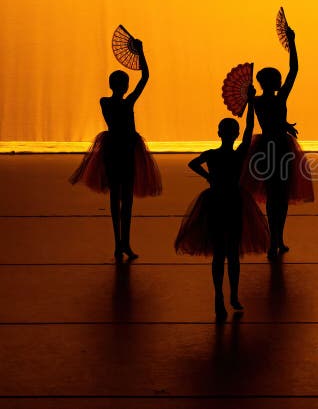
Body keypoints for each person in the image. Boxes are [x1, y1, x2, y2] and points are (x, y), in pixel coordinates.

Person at [174, 87, 269, 319]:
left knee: (219, 252)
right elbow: (249, 131)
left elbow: (193, 163)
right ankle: (233, 295)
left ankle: (219, 296)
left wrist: (208, 177)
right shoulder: (237, 154)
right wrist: (249, 104)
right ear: (233, 134)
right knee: (232, 253)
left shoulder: (212, 154)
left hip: (216, 199)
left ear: (219, 133)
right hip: (234, 200)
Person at [69, 39, 161, 261]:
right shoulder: (126, 103)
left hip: (114, 149)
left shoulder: (105, 102)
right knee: (125, 199)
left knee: (115, 198)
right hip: (126, 149)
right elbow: (146, 78)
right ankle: (124, 243)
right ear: (125, 86)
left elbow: (142, 81)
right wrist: (141, 54)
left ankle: (119, 243)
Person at [241, 24, 314, 260]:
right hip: (281, 149)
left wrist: (253, 103)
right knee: (280, 197)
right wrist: (292, 43)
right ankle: (277, 239)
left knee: (273, 196)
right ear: (276, 83)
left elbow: (258, 124)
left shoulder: (258, 102)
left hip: (265, 149)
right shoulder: (280, 97)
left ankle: (275, 240)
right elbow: (295, 69)